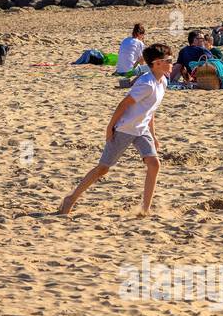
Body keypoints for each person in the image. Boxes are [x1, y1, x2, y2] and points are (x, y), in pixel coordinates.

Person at [59, 43, 173, 217]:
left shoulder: (163, 81)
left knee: (154, 164)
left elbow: (151, 111)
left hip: (142, 130)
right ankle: (71, 198)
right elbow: (124, 104)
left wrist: (154, 136)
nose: (172, 63)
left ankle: (145, 209)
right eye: (168, 60)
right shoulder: (146, 83)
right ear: (157, 63)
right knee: (103, 169)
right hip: (125, 129)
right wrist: (110, 128)